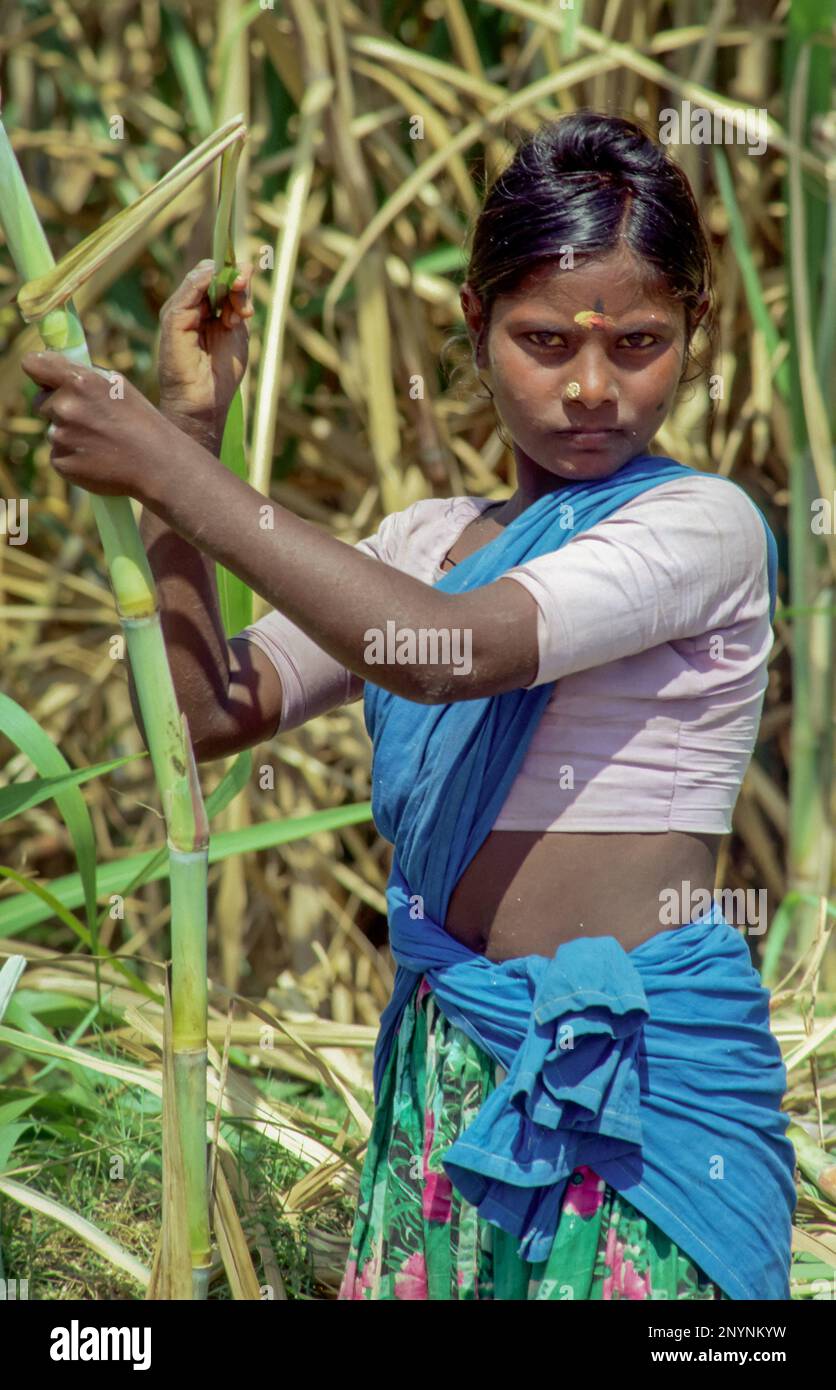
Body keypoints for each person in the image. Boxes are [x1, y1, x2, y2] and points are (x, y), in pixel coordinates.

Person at [21, 110, 797, 1301]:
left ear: (694, 333)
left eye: (637, 342)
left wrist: (173, 472)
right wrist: (185, 433)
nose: (592, 386)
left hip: (626, 1087)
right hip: (451, 1063)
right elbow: (210, 714)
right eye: (543, 340)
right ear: (474, 330)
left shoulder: (701, 527)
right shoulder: (423, 542)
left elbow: (444, 652)